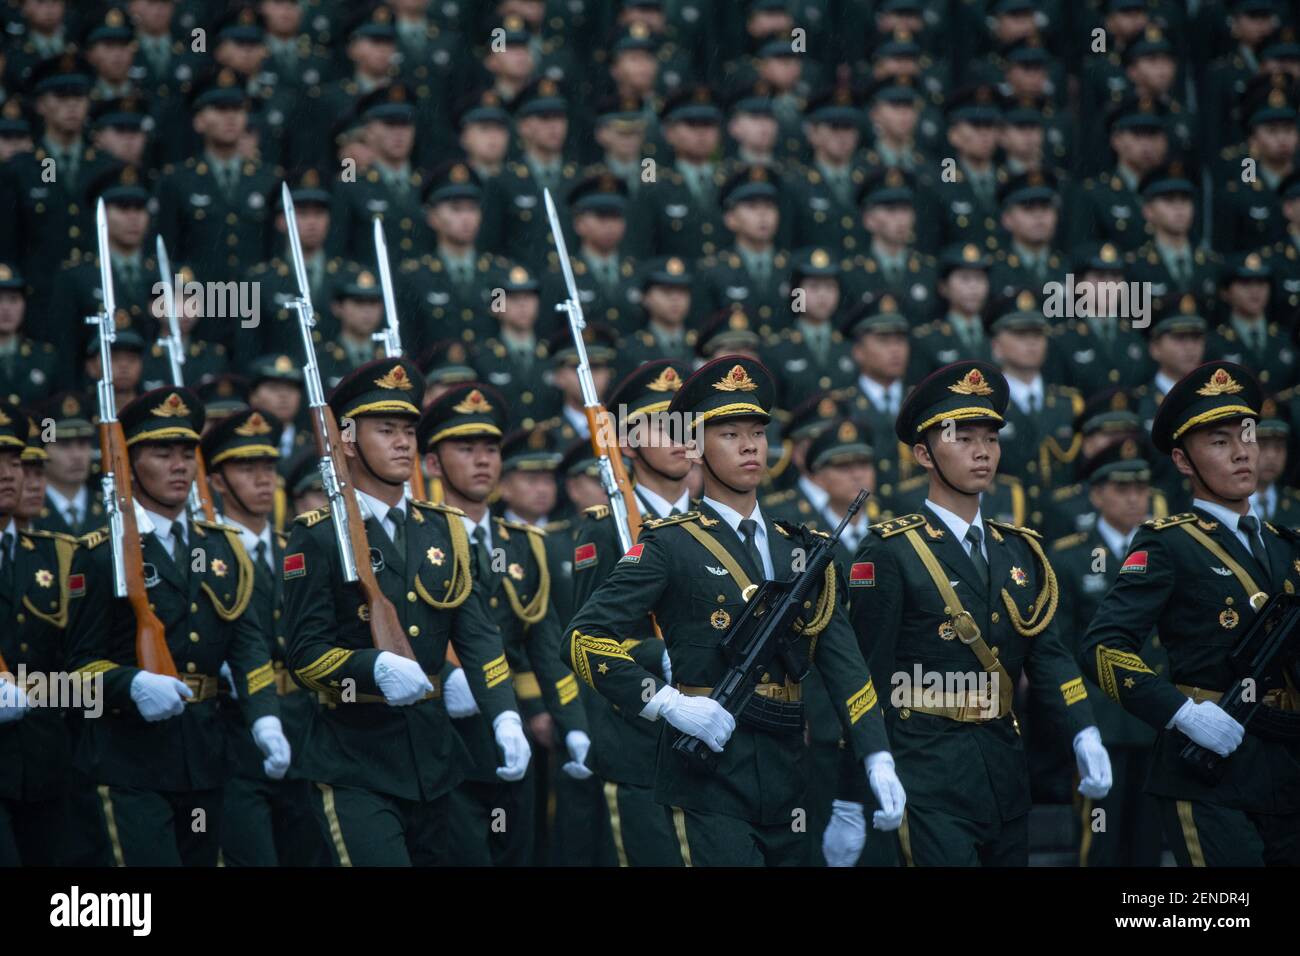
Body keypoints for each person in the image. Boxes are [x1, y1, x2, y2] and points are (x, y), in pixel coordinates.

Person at [566, 355, 905, 866]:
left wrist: (875, 754)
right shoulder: (669, 546)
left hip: (790, 768)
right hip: (708, 774)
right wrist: (665, 703)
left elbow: (845, 665)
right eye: (728, 433)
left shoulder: (802, 548)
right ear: (695, 447)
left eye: (757, 432)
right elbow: (584, 638)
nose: (749, 445)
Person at [848, 360, 1112, 866]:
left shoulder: (1019, 551)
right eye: (963, 438)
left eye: (990, 438)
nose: (982, 452)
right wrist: (862, 770)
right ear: (924, 454)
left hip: (1004, 767)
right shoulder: (891, 551)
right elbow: (866, 672)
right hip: (924, 768)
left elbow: (1048, 656)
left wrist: (1083, 728)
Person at [280, 357, 530, 866]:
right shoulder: (318, 534)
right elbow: (303, 655)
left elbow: (480, 637)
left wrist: (504, 714)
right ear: (347, 441)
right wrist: (370, 668)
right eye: (386, 430)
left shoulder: (445, 529)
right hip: (354, 760)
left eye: (409, 431)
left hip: (435, 757)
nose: (402, 443)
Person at [1079, 360, 1300, 866]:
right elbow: (1102, 648)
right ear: (1183, 461)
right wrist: (1181, 714)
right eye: (1219, 442)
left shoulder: (1287, 547)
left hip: (1288, 763)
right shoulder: (1169, 544)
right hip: (1210, 767)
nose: (1243, 451)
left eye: (1248, 434)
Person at [65, 386, 289, 866]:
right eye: (161, 453)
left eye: (187, 453)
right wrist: (131, 682)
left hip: (205, 754)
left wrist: (265, 717)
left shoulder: (222, 546)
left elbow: (247, 645)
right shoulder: (102, 551)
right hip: (129, 761)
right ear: (129, 461)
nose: (179, 466)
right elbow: (75, 669)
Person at [416, 381, 589, 866]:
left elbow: (546, 646)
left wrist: (573, 723)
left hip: (511, 726)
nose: (482, 460)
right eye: (465, 449)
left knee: (519, 853)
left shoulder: (523, 545)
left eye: (490, 448)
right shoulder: (416, 540)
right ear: (432, 464)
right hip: (445, 735)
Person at [570, 359, 691, 866]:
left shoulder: (717, 524)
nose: (681, 437)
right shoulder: (603, 531)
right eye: (663, 426)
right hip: (639, 741)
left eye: (689, 424)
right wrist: (654, 652)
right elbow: (584, 642)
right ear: (628, 441)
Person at [202, 408, 332, 867]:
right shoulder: (205, 554)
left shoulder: (294, 548)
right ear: (217, 481)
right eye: (245, 468)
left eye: (267, 468)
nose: (262, 479)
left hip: (302, 728)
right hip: (233, 735)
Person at [1050, 441, 1168, 866]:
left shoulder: (1165, 551)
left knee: (1148, 842)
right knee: (1099, 837)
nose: (1135, 496)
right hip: (1102, 717)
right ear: (1097, 494)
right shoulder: (1070, 557)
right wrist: (1078, 718)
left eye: (1140, 486)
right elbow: (1059, 647)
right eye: (1121, 488)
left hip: (1156, 717)